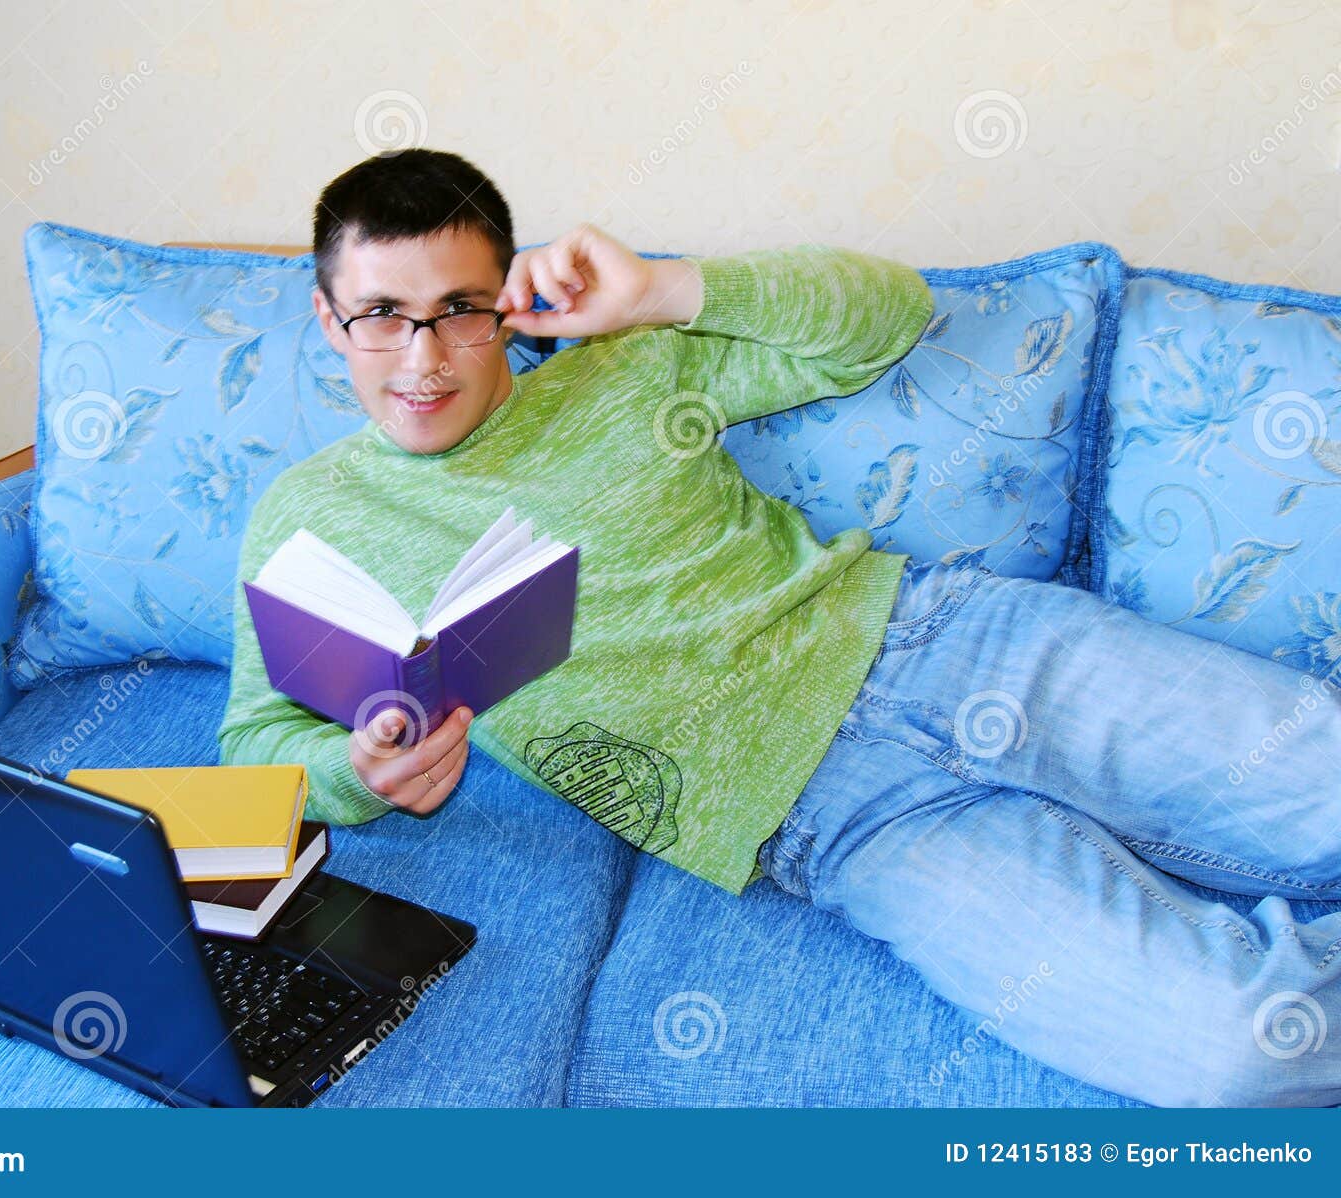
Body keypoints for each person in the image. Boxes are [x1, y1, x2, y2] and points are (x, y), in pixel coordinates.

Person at [217, 147, 1341, 1107]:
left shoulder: (619, 364)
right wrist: (361, 770)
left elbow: (886, 315)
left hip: (943, 641)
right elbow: (253, 751)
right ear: (328, 314)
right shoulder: (307, 522)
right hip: (833, 823)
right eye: (380, 315)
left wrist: (662, 289)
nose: (423, 358)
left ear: (501, 299)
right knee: (1234, 1056)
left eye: (457, 310)